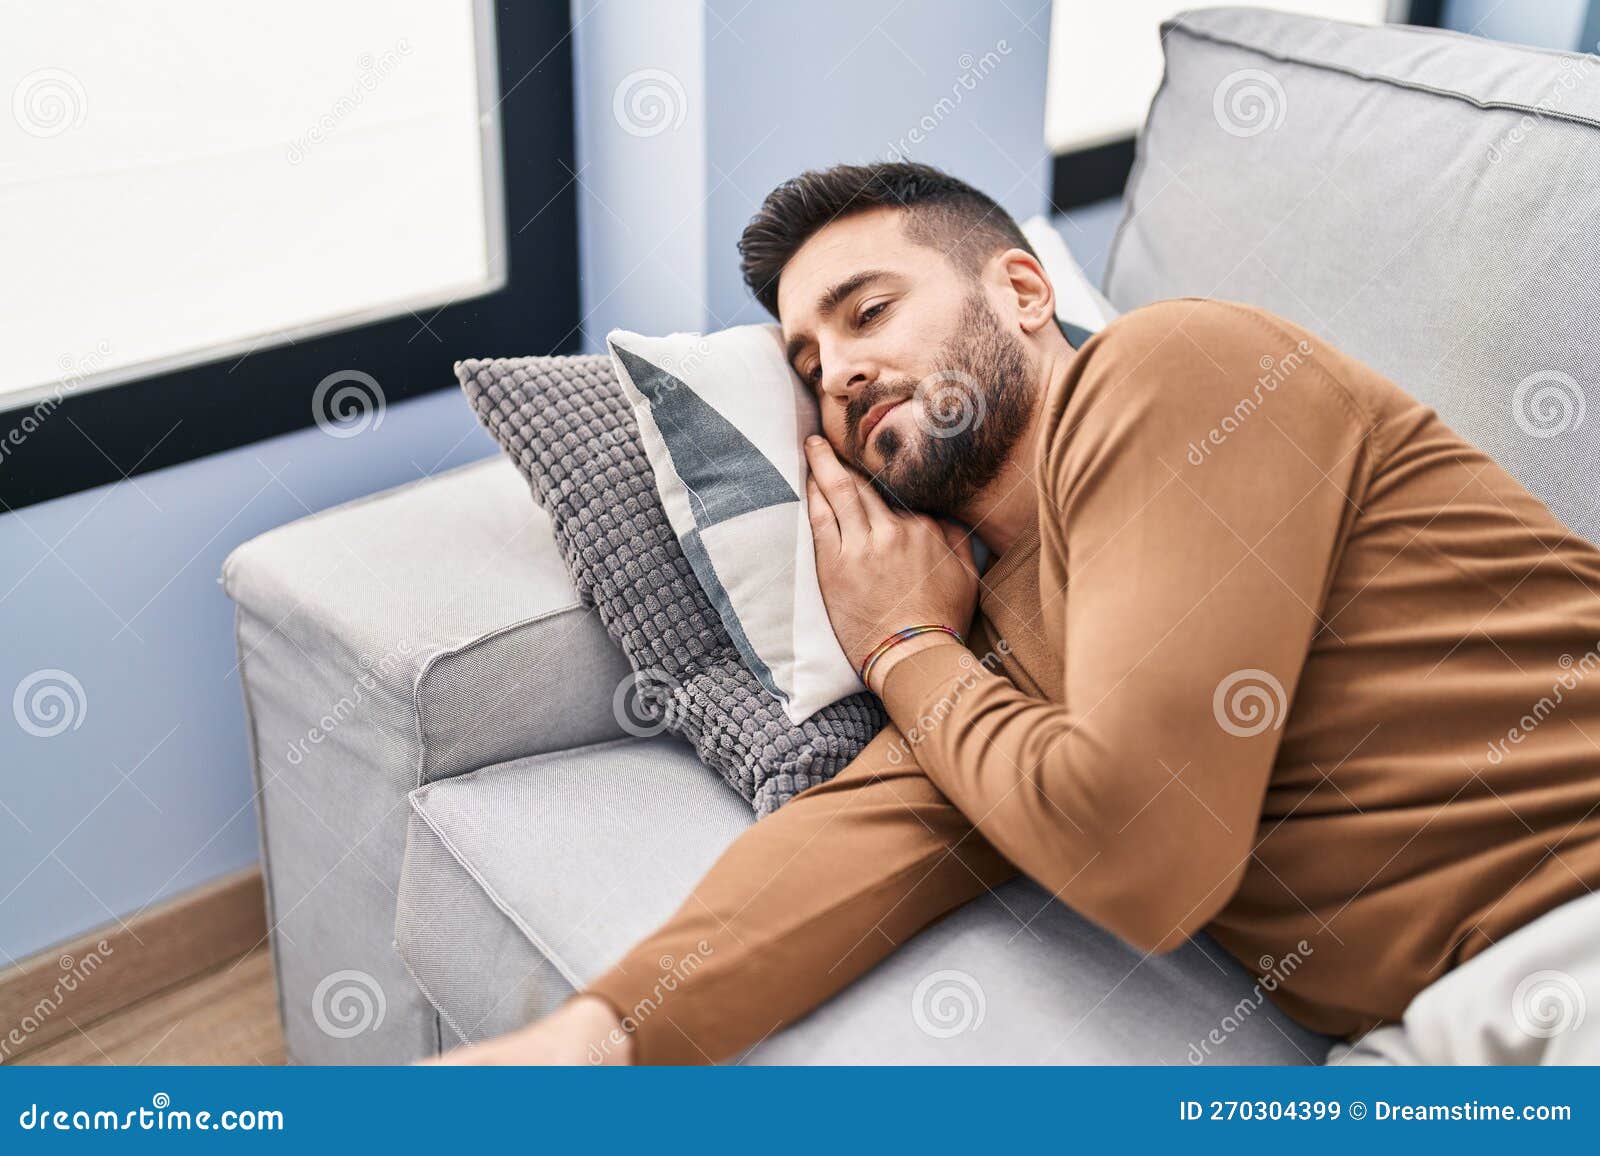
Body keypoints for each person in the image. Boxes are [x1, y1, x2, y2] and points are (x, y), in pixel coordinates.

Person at [431, 162, 1600, 1066]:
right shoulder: (981, 645)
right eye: (809, 358)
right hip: (1434, 1042)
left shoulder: (1179, 370)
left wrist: (898, 644)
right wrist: (598, 1030)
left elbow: (1145, 852)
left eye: (868, 309)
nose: (836, 370)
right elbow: (858, 849)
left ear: (1024, 289)